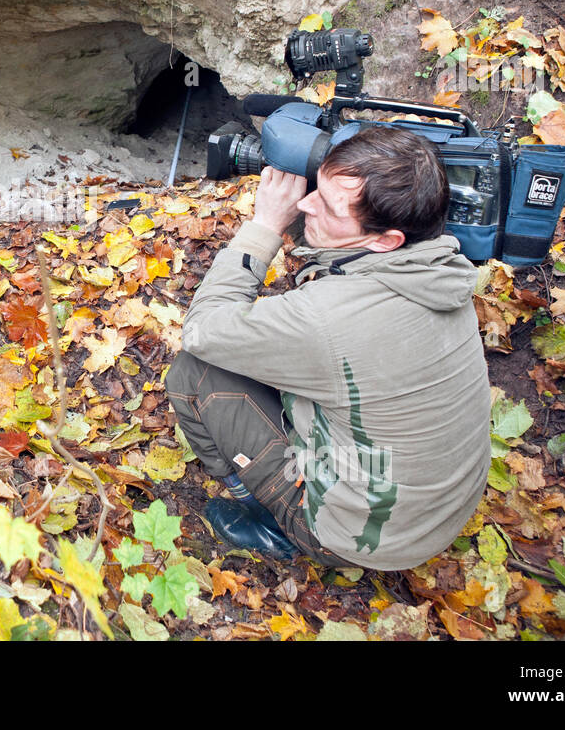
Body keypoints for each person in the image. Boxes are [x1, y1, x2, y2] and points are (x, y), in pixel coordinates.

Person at [166, 123, 491, 570]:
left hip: (356, 535)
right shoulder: (438, 269)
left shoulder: (326, 321)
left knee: (194, 372)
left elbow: (202, 329)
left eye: (329, 207)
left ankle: (269, 518)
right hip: (432, 513)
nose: (303, 204)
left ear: (385, 239)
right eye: (316, 187)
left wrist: (264, 226)